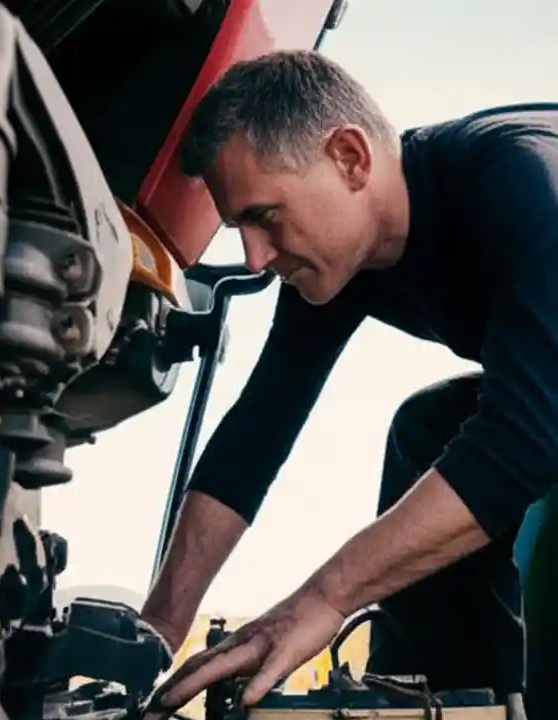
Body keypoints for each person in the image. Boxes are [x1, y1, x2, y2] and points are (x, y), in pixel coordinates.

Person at [138, 49, 557, 719]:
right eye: (239, 227)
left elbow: (523, 442)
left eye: (265, 216)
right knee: (430, 429)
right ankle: (451, 703)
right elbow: (257, 433)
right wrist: (153, 633)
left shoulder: (523, 179)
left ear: (351, 158)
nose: (255, 256)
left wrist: (323, 598)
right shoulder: (340, 268)